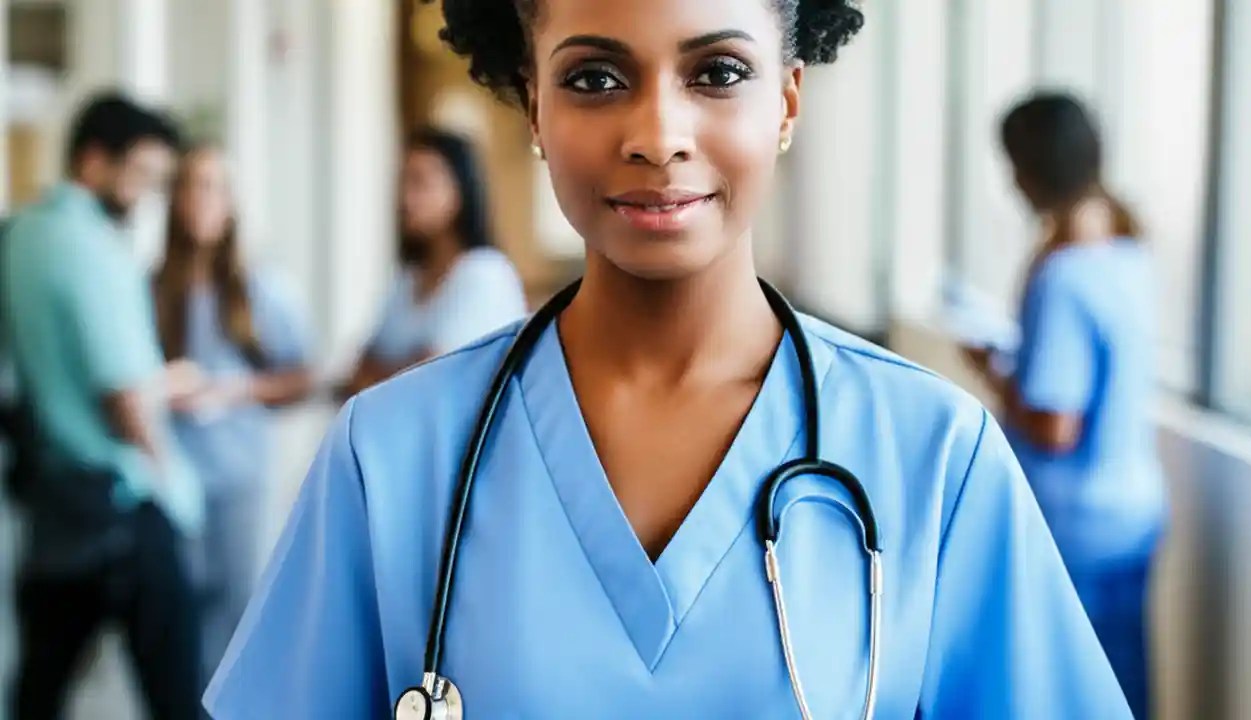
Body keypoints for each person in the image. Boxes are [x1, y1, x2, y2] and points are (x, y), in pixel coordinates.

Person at [205, 2, 1133, 718]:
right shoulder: (390, 453)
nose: (656, 134)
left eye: (719, 71)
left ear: (788, 102)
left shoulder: (935, 454)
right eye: (596, 78)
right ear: (532, 104)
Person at [0, 93, 204, 719]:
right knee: (179, 699)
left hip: (56, 508)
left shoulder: (20, 234)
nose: (143, 195)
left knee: (38, 695)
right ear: (93, 161)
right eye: (138, 176)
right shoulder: (88, 244)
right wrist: (170, 480)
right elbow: (120, 390)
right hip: (123, 506)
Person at [966, 93, 1165, 719]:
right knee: (1123, 674)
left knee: (1070, 687)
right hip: (1134, 505)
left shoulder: (1064, 275)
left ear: (1030, 171)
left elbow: (1054, 425)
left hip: (1075, 523)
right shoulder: (1131, 253)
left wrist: (990, 373)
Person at [152, 146, 314, 685]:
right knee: (178, 622)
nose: (202, 199)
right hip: (170, 480)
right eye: (192, 185)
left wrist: (230, 391)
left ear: (232, 205)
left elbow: (302, 376)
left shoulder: (261, 288)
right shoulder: (152, 289)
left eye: (215, 187)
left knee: (239, 618)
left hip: (239, 478)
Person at [339, 128, 526, 397]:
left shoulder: (485, 273)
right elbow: (358, 370)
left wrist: (382, 375)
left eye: (420, 182)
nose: (406, 198)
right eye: (402, 181)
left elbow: (434, 378)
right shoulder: (409, 278)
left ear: (460, 188)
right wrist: (400, 370)